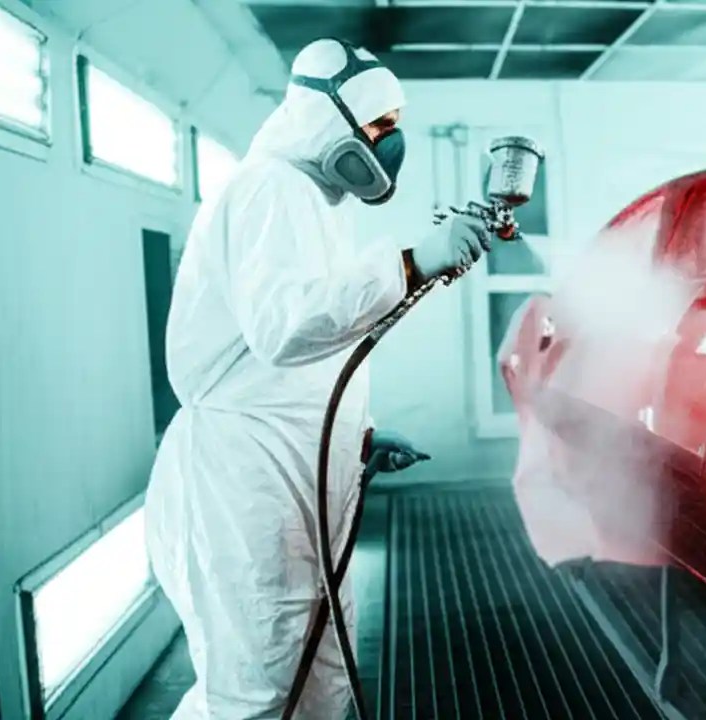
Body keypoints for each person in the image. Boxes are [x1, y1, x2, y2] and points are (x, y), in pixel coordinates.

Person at [143, 38, 491, 719]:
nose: (392, 143)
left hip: (294, 478)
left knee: (319, 678)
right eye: (381, 127)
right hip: (245, 489)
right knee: (256, 689)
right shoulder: (268, 188)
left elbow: (305, 360)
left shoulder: (312, 199)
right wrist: (412, 262)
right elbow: (286, 326)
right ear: (334, 123)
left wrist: (356, 441)